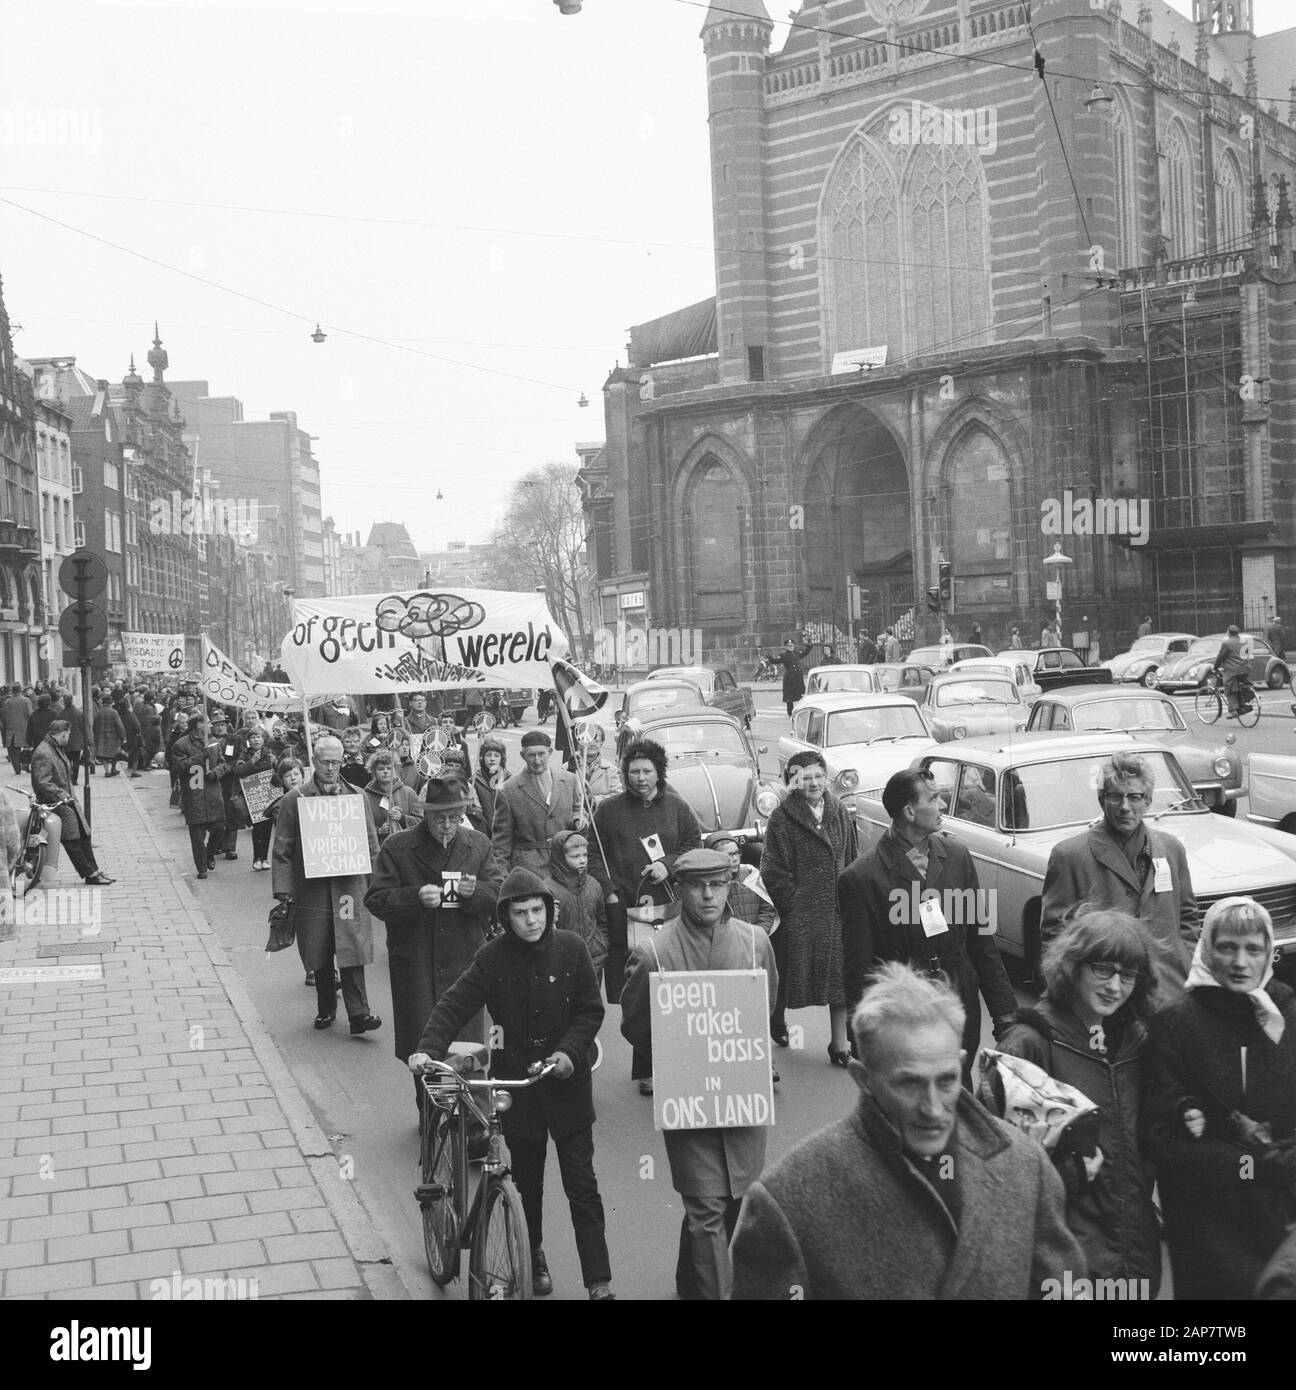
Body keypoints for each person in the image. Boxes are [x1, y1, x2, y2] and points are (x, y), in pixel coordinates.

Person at [729, 962, 1083, 1299]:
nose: (932, 1108)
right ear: (863, 1079)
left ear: (961, 1064)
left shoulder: (1025, 1168)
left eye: (945, 1080)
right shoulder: (789, 1200)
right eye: (909, 1084)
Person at [409, 867, 613, 1300]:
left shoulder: (573, 950)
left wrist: (567, 1054)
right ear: (506, 916)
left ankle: (598, 1280)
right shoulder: (492, 957)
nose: (531, 920)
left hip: (566, 1084)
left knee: (583, 1186)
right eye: (520, 913)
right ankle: (532, 1256)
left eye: (537, 910)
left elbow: (589, 1013)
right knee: (528, 1185)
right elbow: (454, 1003)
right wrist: (428, 1048)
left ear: (548, 910)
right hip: (517, 1086)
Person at [620, 848, 778, 1301]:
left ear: (730, 885)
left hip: (742, 1100)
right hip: (690, 1101)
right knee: (707, 1209)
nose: (708, 895)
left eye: (718, 885)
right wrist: (682, 1052)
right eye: (697, 886)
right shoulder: (653, 951)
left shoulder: (755, 943)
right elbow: (635, 1025)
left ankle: (690, 1282)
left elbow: (763, 1009)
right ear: (680, 889)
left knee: (738, 1202)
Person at [995, 908, 1163, 1293]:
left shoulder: (1141, 1045)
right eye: (1102, 969)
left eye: (1127, 974)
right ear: (1072, 967)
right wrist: (1071, 1173)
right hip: (1065, 1263)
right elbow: (994, 1165)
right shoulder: (1029, 1045)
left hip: (1135, 1258)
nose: (1114, 986)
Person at [1142, 896, 1296, 1300]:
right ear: (1207, 950)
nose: (1240, 962)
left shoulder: (1289, 1012)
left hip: (1283, 1216)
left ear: (1269, 954)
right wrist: (1249, 1166)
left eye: (1253, 949)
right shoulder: (1176, 1025)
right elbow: (1158, 1134)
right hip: (1208, 1225)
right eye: (1227, 947)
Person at [838, 767, 1016, 1081]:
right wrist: (860, 1034)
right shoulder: (861, 878)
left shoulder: (958, 857)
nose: (943, 806)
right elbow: (860, 968)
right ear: (909, 811)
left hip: (958, 1005)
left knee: (958, 1094)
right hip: (903, 1016)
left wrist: (1005, 1013)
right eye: (934, 799)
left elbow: (981, 941)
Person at [364, 777, 502, 1108]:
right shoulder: (398, 846)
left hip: (465, 959)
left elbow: (498, 891)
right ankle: (433, 1114)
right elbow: (376, 899)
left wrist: (476, 893)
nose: (446, 826)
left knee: (467, 1043)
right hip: (417, 962)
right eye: (439, 818)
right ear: (425, 816)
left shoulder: (478, 844)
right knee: (425, 1044)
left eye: (453, 818)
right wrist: (414, 898)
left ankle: (472, 1120)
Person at [589, 736, 703, 1094]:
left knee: (674, 987)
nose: (640, 778)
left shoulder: (677, 807)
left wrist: (668, 866)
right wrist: (608, 890)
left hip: (671, 909)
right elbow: (592, 854)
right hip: (627, 913)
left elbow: (692, 845)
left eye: (647, 771)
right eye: (633, 771)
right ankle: (647, 1068)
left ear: (659, 772)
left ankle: (679, 1061)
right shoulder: (608, 811)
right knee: (641, 990)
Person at [1041, 751, 1197, 997]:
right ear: (1102, 800)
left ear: (1148, 800)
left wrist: (1184, 963)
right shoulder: (1069, 856)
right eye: (1115, 796)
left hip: (1168, 994)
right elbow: (1056, 937)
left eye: (1134, 797)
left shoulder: (1171, 849)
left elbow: (1187, 918)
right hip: (1106, 997)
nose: (1125, 807)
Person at [272, 734, 383, 1035]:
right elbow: (282, 848)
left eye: (336, 762)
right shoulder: (295, 799)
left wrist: (377, 885)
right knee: (320, 947)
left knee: (351, 945)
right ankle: (326, 1007)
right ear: (314, 762)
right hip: (313, 887)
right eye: (325, 762)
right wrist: (284, 890)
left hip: (349, 887)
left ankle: (359, 1014)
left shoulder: (357, 797)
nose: (331, 768)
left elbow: (372, 844)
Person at [760, 750, 859, 1064]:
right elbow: (772, 870)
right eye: (806, 777)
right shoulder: (781, 818)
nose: (814, 782)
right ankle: (777, 1020)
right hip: (800, 914)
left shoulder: (839, 811)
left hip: (836, 910)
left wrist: (851, 898)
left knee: (840, 979)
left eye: (819, 776)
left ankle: (840, 1045)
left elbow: (853, 859)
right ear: (794, 780)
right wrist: (794, 904)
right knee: (788, 976)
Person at [31, 720, 113, 886]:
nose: (68, 737)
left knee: (83, 835)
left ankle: (95, 871)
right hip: (56, 804)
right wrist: (62, 795)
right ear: (63, 733)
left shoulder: (54, 748)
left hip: (67, 801)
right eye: (68, 734)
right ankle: (90, 874)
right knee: (72, 840)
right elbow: (42, 782)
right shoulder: (44, 752)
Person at [492, 730, 579, 874]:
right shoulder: (508, 790)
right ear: (522, 755)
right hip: (528, 869)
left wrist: (578, 820)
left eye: (541, 754)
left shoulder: (570, 780)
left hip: (565, 863)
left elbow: (578, 809)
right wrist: (503, 878)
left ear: (550, 752)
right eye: (531, 755)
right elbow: (501, 844)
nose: (537, 760)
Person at [543, 829, 609, 988]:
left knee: (592, 1008)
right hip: (561, 963)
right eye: (575, 856)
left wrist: (601, 943)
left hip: (593, 961)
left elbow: (602, 920)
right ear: (560, 858)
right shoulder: (548, 888)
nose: (582, 861)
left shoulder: (594, 885)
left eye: (584, 855)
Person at [171, 715, 229, 880]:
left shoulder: (213, 742)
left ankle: (209, 853)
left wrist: (217, 772)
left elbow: (223, 763)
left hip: (212, 792)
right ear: (198, 725)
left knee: (219, 829)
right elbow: (179, 767)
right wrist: (200, 756)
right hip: (194, 795)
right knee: (197, 836)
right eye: (208, 722)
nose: (211, 725)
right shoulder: (181, 744)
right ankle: (202, 867)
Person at [705, 831, 775, 935]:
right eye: (729, 855)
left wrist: (758, 934)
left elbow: (767, 910)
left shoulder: (751, 875)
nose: (735, 859)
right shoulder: (706, 885)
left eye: (737, 852)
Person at [231, 728, 276, 870]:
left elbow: (279, 770)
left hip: (268, 795)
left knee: (268, 827)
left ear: (264, 740)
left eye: (259, 737)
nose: (256, 740)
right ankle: (257, 858)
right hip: (254, 797)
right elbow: (238, 772)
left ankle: (264, 858)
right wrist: (251, 762)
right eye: (253, 737)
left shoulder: (269, 753)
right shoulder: (245, 754)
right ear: (249, 740)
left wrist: (276, 762)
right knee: (258, 827)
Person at [360, 748, 423, 843]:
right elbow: (361, 828)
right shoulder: (366, 797)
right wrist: (378, 831)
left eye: (389, 768)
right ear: (373, 772)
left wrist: (402, 819)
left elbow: (421, 822)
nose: (385, 771)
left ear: (396, 770)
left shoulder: (409, 793)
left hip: (407, 847)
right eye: (381, 769)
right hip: (380, 849)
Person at [569, 721, 623, 813]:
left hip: (600, 818)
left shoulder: (610, 770)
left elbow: (617, 796)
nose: (592, 744)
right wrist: (570, 771)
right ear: (579, 742)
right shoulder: (568, 766)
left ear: (601, 744)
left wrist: (593, 800)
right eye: (589, 740)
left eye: (597, 741)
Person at [1212, 624, 1251, 718]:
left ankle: (1233, 711)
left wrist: (1215, 668)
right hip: (1245, 668)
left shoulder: (1227, 643)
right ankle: (1242, 705)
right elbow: (1247, 655)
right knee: (1238, 687)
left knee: (1229, 688)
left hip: (1232, 670)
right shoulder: (1245, 642)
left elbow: (1221, 657)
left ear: (1229, 632)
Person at [473, 735, 508, 837]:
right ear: (482, 758)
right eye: (488, 755)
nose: (492, 759)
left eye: (496, 756)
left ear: (502, 759)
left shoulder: (509, 780)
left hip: (504, 833)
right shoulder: (475, 780)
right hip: (483, 832)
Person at [775, 637, 811, 719]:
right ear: (785, 647)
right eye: (788, 646)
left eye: (792, 645)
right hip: (789, 678)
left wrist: (809, 646)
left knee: (802, 694)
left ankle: (802, 711)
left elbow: (805, 653)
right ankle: (790, 713)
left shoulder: (797, 653)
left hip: (798, 677)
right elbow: (776, 661)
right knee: (789, 697)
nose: (790, 647)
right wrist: (770, 658)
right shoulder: (783, 655)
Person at [93, 695, 126, 778]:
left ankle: (107, 770)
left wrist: (96, 735)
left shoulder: (98, 713)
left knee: (104, 755)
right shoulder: (114, 712)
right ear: (110, 703)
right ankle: (113, 769)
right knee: (114, 753)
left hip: (101, 736)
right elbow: (119, 726)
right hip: (113, 736)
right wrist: (123, 737)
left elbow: (94, 726)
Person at [2, 682, 31, 775]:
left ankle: (17, 769)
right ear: (21, 690)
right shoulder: (26, 700)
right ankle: (25, 764)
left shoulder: (7, 702)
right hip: (24, 728)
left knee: (13, 751)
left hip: (11, 729)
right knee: (27, 747)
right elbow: (30, 714)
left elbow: (4, 716)